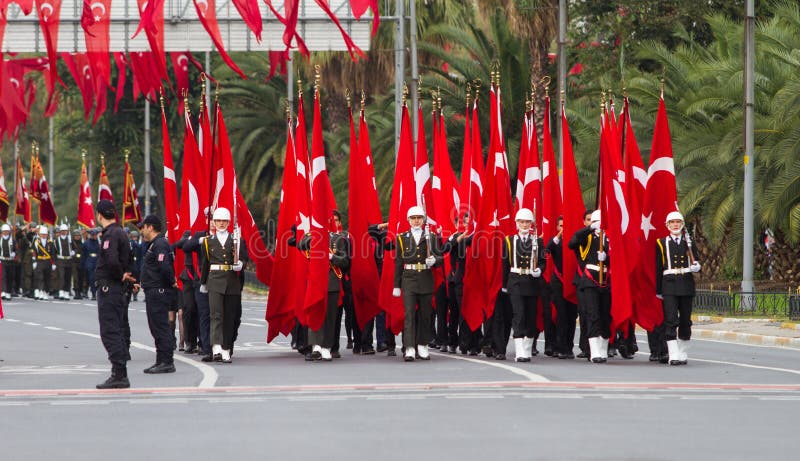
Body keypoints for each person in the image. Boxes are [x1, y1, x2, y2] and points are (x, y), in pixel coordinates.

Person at [294, 211, 350, 361]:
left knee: (331, 317)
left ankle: (326, 347)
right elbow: (300, 245)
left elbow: (345, 261)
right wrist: (313, 239)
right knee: (315, 312)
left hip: (331, 282)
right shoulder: (311, 236)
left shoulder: (338, 239)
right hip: (315, 282)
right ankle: (315, 346)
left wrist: (332, 257)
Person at [393, 206, 443, 362]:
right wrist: (396, 284)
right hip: (408, 278)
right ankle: (409, 347)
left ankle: (422, 344)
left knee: (426, 314)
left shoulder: (432, 237)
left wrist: (434, 260)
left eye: (419, 218)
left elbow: (440, 257)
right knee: (409, 314)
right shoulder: (401, 237)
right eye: (413, 218)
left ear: (423, 220)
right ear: (408, 220)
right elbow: (398, 262)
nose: (416, 221)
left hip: (426, 278)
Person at [94, 200, 134, 389]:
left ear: (99, 215)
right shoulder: (121, 232)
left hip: (110, 287)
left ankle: (119, 373)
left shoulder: (111, 234)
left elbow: (110, 260)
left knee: (110, 330)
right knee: (116, 328)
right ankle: (120, 370)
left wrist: (120, 275)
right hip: (116, 288)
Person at [501, 208, 546, 362]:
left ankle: (527, 349)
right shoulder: (509, 240)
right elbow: (505, 264)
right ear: (517, 223)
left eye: (527, 222)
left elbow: (542, 261)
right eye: (522, 221)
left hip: (532, 283)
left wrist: (539, 270)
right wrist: (504, 285)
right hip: (516, 282)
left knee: (530, 317)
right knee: (518, 315)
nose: (525, 224)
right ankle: (520, 351)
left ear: (531, 223)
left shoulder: (537, 241)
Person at [656, 211, 701, 366]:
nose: (675, 225)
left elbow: (696, 261)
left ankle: (682, 351)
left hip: (686, 284)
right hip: (669, 284)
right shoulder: (661, 243)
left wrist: (697, 266)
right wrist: (658, 290)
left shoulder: (689, 243)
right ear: (667, 225)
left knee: (685, 320)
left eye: (678, 222)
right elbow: (658, 267)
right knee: (670, 319)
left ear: (682, 225)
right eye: (672, 222)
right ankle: (673, 353)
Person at [200, 208, 244, 363]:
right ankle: (216, 348)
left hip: (231, 282)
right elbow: (204, 264)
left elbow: (243, 258)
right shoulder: (207, 241)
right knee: (216, 316)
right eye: (218, 221)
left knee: (229, 317)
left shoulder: (236, 240)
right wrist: (203, 283)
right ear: (214, 222)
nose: (221, 224)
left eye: (224, 221)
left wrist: (240, 264)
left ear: (229, 222)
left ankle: (226, 349)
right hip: (214, 281)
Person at [568, 210, 611, 363]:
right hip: (590, 279)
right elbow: (572, 242)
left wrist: (607, 257)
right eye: (594, 222)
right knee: (592, 314)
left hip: (606, 279)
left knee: (606, 316)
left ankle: (603, 349)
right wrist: (591, 228)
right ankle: (594, 352)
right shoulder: (586, 237)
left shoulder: (609, 237)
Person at [139, 215, 177, 374]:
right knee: (156, 327)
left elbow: (164, 267)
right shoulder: (154, 244)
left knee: (160, 327)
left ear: (150, 227)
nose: (141, 231)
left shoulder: (160, 244)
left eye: (143, 227)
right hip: (154, 291)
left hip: (159, 291)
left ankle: (166, 361)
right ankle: (160, 360)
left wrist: (170, 282)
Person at [546, 216, 577, 359]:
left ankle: (569, 347)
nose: (563, 228)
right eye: (560, 225)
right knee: (561, 316)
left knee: (571, 316)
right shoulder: (556, 242)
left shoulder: (575, 241)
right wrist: (558, 236)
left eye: (566, 225)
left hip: (573, 283)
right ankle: (559, 347)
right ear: (557, 227)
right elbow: (547, 250)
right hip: (558, 283)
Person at [368, 222, 397, 356]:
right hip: (382, 276)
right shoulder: (384, 235)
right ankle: (384, 342)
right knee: (384, 311)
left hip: (403, 275)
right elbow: (369, 230)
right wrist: (383, 225)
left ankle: (409, 345)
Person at [176, 230, 199, 354]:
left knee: (201, 310)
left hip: (201, 275)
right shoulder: (188, 233)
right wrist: (190, 239)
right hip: (188, 277)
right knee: (189, 309)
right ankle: (189, 341)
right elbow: (180, 245)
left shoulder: (203, 231)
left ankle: (201, 342)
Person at [32, 225, 55, 301]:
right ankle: (41, 291)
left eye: (45, 234)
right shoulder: (36, 242)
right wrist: (34, 261)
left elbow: (53, 253)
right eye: (42, 234)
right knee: (40, 277)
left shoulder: (51, 242)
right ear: (40, 234)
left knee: (47, 277)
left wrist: (53, 263)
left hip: (48, 261)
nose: (44, 235)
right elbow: (34, 252)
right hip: (40, 261)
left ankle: (46, 292)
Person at [53, 224, 75, 300]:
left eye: (65, 231)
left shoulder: (70, 239)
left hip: (69, 260)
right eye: (62, 231)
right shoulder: (56, 240)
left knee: (68, 276)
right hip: (60, 260)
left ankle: (66, 292)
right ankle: (61, 291)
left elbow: (74, 247)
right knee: (61, 276)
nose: (64, 232)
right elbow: (54, 252)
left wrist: (73, 252)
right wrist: (54, 262)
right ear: (60, 231)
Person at [82, 228, 101, 300]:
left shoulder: (99, 243)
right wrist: (83, 264)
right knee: (91, 278)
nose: (93, 236)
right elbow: (84, 255)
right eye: (92, 235)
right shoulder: (86, 243)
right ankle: (93, 293)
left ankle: (96, 292)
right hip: (89, 262)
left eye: (95, 235)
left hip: (97, 262)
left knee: (97, 278)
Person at [1, 224, 17, 300]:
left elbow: (16, 249)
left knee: (10, 277)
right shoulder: (0, 240)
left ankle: (8, 292)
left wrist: (15, 253)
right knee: (3, 276)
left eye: (7, 231)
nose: (5, 232)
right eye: (4, 231)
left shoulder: (13, 240)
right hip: (3, 260)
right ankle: (3, 291)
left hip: (11, 261)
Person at [71, 229, 85, 299]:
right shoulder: (71, 243)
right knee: (75, 277)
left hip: (81, 261)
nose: (77, 237)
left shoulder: (82, 243)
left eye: (78, 235)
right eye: (76, 236)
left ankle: (80, 291)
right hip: (74, 262)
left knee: (81, 277)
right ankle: (76, 292)